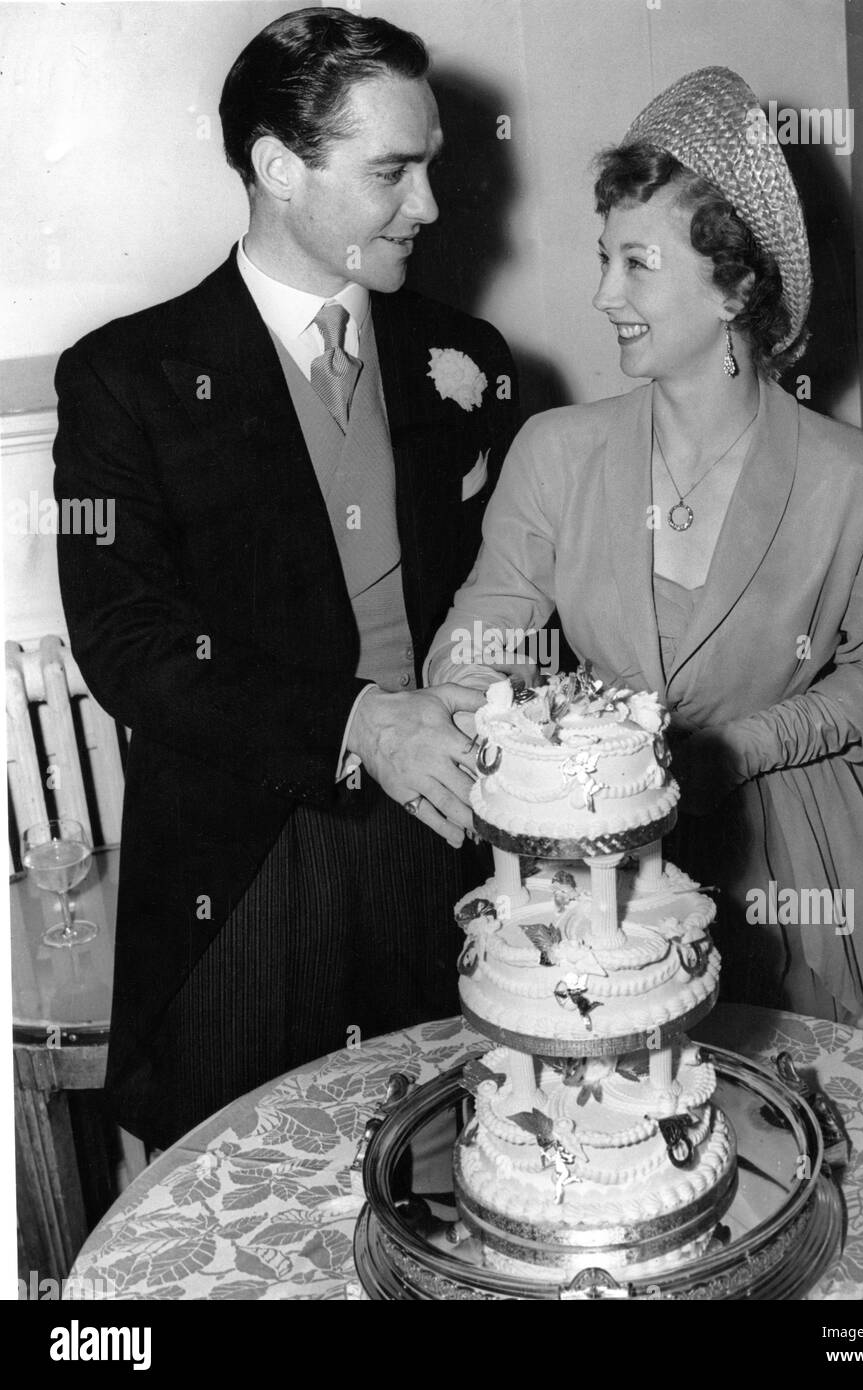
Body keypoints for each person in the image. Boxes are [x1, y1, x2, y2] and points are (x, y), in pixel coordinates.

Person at [53, 7, 519, 1149]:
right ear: (276, 167)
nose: (431, 208)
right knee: (249, 1208)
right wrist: (362, 721)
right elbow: (128, 647)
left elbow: (511, 594)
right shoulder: (124, 379)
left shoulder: (469, 361)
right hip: (244, 870)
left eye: (431, 170)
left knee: (467, 1183)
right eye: (393, 173)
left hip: (448, 839)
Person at [427, 67, 863, 1048]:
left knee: (798, 1153)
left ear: (734, 282)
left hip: (796, 865)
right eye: (603, 259)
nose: (602, 293)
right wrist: (475, 689)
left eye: (637, 264)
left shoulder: (854, 478)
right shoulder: (556, 453)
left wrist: (745, 746)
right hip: (599, 885)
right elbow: (485, 628)